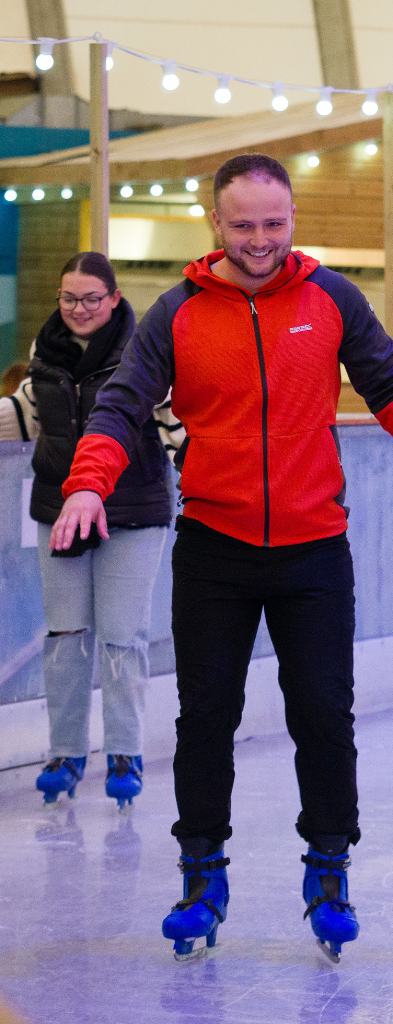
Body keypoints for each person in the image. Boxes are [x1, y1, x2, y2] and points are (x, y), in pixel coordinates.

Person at [50, 154, 393, 963]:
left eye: (275, 223)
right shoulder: (177, 314)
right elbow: (123, 404)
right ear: (216, 223)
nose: (261, 239)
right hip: (216, 549)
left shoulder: (332, 299)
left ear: (293, 217)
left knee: (322, 714)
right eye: (244, 225)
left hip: (312, 548)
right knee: (205, 719)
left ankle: (329, 867)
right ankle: (202, 876)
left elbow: (389, 383)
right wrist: (86, 484)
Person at [0, 253, 177, 812]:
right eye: (69, 298)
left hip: (133, 508)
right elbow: (28, 414)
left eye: (91, 299)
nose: (79, 309)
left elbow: (175, 425)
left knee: (123, 635)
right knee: (65, 638)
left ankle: (125, 752)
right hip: (60, 508)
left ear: (114, 299)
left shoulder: (144, 353)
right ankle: (65, 753)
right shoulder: (44, 355)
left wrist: (205, 475)